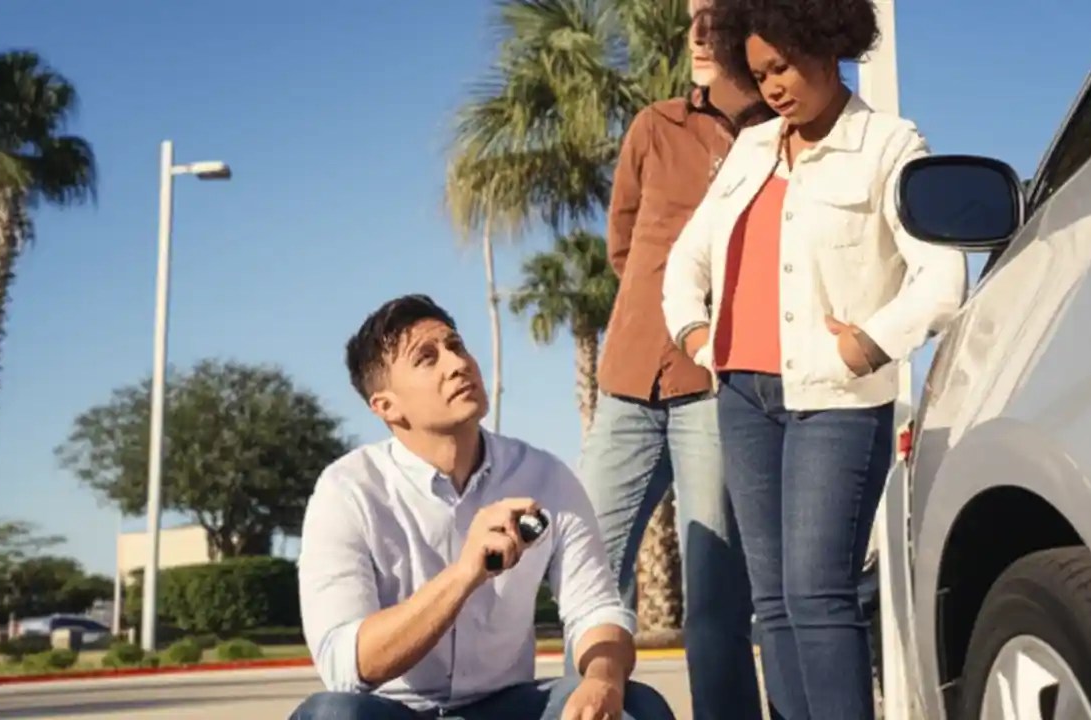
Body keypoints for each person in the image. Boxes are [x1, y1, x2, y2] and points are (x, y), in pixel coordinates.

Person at [660, 1, 968, 718]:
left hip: (835, 398)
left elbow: (941, 275)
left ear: (829, 47)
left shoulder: (888, 145)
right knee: (772, 604)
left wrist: (866, 343)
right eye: (760, 71)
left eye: (785, 66)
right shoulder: (751, 149)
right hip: (743, 397)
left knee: (817, 594)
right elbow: (686, 263)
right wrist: (699, 341)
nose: (772, 86)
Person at [289, 294, 676, 720]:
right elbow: (346, 666)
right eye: (426, 358)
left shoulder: (544, 476)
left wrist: (603, 680)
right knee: (331, 715)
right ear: (386, 406)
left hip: (506, 708)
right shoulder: (347, 490)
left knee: (638, 706)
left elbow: (595, 609)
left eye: (455, 346)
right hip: (395, 711)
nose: (456, 364)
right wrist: (464, 574)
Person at [579, 1, 774, 718]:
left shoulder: (784, 135)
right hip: (629, 381)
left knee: (716, 599)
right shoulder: (654, 126)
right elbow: (624, 245)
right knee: (588, 565)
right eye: (690, 13)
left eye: (712, 13)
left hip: (716, 390)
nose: (695, 29)